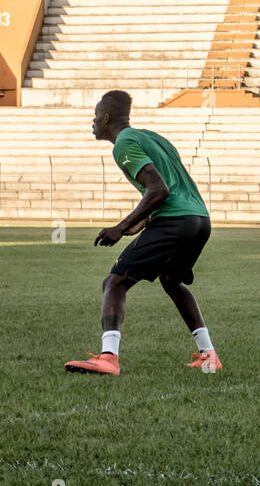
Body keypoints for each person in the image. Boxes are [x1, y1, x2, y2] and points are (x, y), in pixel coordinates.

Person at [64, 90, 219, 375]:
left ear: (107, 118)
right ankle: (208, 354)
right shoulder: (153, 137)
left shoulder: (123, 143)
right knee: (171, 281)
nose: (93, 121)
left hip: (175, 220)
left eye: (96, 116)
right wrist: (142, 223)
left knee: (115, 281)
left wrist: (120, 228)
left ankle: (108, 357)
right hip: (199, 219)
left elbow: (159, 189)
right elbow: (175, 187)